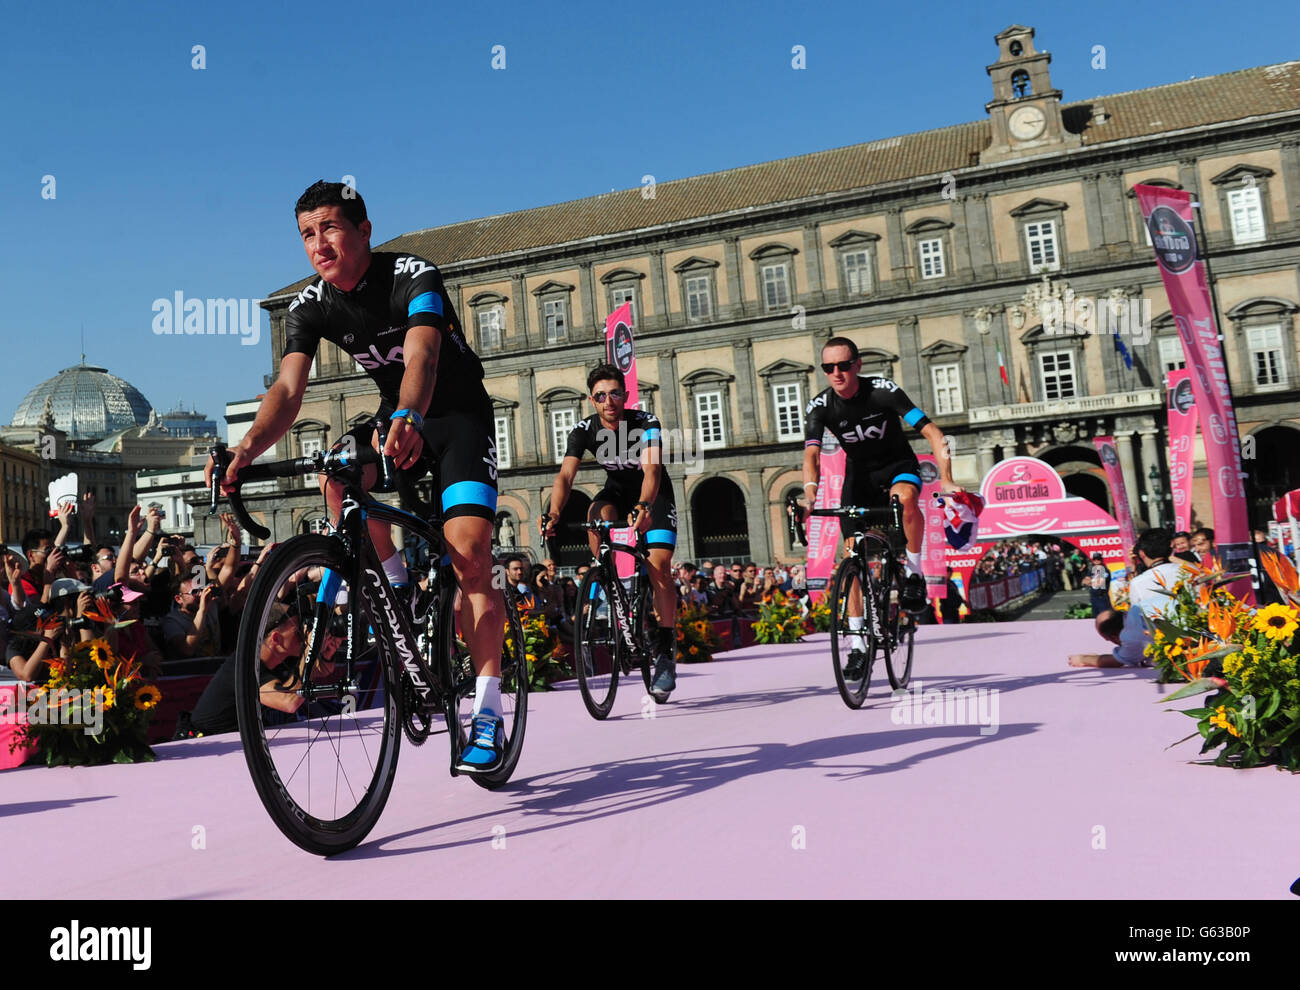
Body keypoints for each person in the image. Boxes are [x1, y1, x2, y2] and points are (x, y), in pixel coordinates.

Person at [204, 180, 508, 774]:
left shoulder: (413, 274)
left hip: (453, 418)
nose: (318, 244)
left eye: (330, 228)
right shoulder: (309, 305)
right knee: (338, 474)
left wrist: (410, 414)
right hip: (397, 418)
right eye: (307, 234)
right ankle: (394, 582)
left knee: (470, 557)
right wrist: (245, 449)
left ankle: (490, 713)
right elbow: (288, 391)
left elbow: (422, 354)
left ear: (364, 230)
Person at [792, 336, 962, 679]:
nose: (836, 373)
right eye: (828, 368)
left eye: (843, 365)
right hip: (860, 478)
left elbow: (932, 432)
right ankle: (858, 646)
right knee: (852, 555)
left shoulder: (883, 391)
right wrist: (811, 495)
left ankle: (914, 573)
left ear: (858, 365)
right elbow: (811, 455)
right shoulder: (821, 406)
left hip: (897, 465)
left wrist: (946, 479)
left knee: (905, 499)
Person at [540, 363, 681, 702]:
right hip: (616, 493)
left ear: (625, 395)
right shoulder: (583, 429)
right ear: (592, 400)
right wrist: (554, 511)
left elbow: (651, 469)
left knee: (659, 566)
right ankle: (609, 580)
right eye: (601, 395)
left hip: (654, 494)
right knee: (595, 516)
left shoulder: (646, 422)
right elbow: (565, 477)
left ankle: (664, 650)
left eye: (615, 393)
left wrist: (645, 504)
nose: (609, 401)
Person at [1070, 529, 1190, 667]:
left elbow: (1137, 633)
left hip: (1172, 655)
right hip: (1202, 645)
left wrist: (1087, 659)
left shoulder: (1139, 583)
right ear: (1172, 547)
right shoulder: (1191, 572)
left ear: (1142, 553)